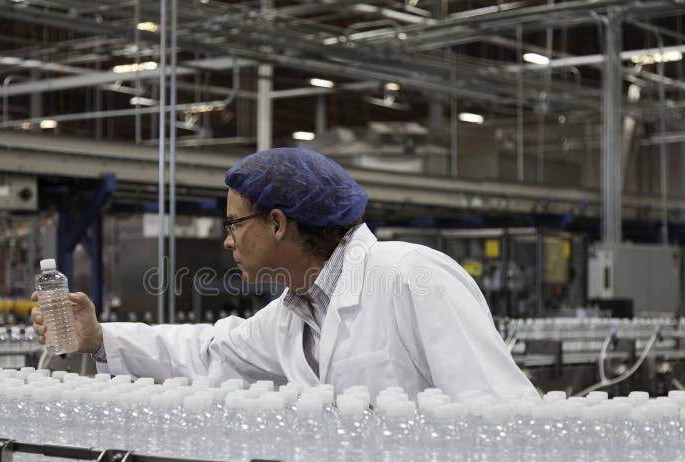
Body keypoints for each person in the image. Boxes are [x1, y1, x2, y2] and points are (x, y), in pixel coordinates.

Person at [32, 148, 536, 399]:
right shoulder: (294, 311)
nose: (227, 240)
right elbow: (208, 354)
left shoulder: (411, 277)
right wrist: (98, 339)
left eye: (234, 223)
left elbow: (499, 413)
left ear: (277, 224)